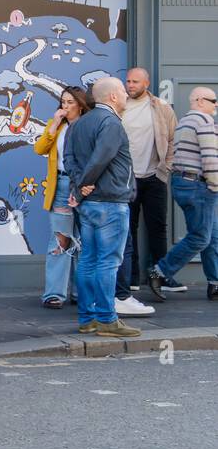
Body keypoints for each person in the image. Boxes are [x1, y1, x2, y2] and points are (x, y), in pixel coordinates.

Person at [65, 77, 141, 338]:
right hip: (110, 202)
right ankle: (107, 319)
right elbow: (101, 158)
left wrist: (79, 186)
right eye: (122, 90)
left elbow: (69, 158)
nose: (126, 95)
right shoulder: (110, 123)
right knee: (109, 262)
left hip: (88, 204)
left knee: (88, 260)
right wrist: (84, 182)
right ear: (112, 97)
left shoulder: (79, 123)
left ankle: (87, 318)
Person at [33, 87, 104, 311]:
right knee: (61, 238)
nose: (65, 106)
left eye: (70, 102)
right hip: (62, 185)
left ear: (81, 105)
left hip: (85, 186)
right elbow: (40, 149)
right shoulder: (59, 126)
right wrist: (54, 124)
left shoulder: (91, 125)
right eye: (63, 102)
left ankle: (80, 292)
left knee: (85, 240)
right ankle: (54, 294)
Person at [146, 86, 218, 302]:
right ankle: (159, 272)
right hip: (198, 185)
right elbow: (209, 155)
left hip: (181, 182)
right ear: (199, 100)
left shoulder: (185, 121)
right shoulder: (204, 121)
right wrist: (215, 184)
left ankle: (214, 283)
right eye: (213, 101)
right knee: (200, 237)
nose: (216, 105)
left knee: (211, 235)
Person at [118, 68, 181, 297]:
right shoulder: (120, 106)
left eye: (135, 81)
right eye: (128, 81)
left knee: (158, 228)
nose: (130, 85)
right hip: (126, 178)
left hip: (155, 175)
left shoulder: (161, 108)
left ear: (146, 83)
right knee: (128, 228)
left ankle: (162, 275)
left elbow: (173, 138)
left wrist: (167, 166)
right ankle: (132, 277)